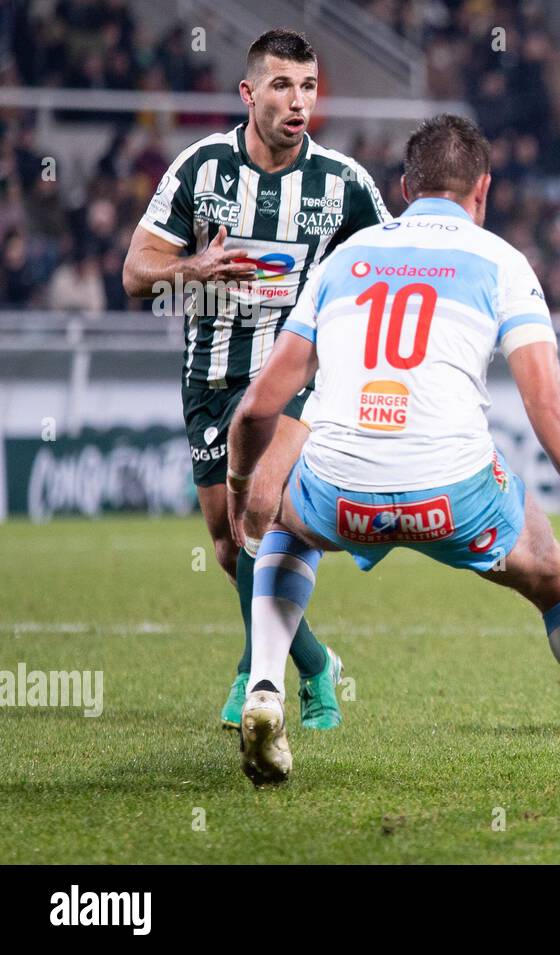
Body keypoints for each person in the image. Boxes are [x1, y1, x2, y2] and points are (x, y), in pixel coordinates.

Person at [225, 114, 560, 788]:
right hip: (450, 489)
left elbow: (258, 408)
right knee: (554, 575)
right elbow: (548, 406)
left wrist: (244, 490)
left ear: (404, 188)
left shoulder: (345, 258)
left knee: (284, 528)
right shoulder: (500, 260)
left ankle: (266, 686)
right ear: (483, 190)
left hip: (340, 488)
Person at [122, 30, 391, 731]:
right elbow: (133, 273)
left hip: (294, 374)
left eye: (307, 86)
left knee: (260, 511)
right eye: (281, 86)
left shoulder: (341, 182)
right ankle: (314, 662)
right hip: (210, 375)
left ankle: (256, 679)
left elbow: (387, 267)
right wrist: (188, 271)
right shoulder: (201, 169)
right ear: (248, 93)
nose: (298, 101)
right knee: (227, 541)